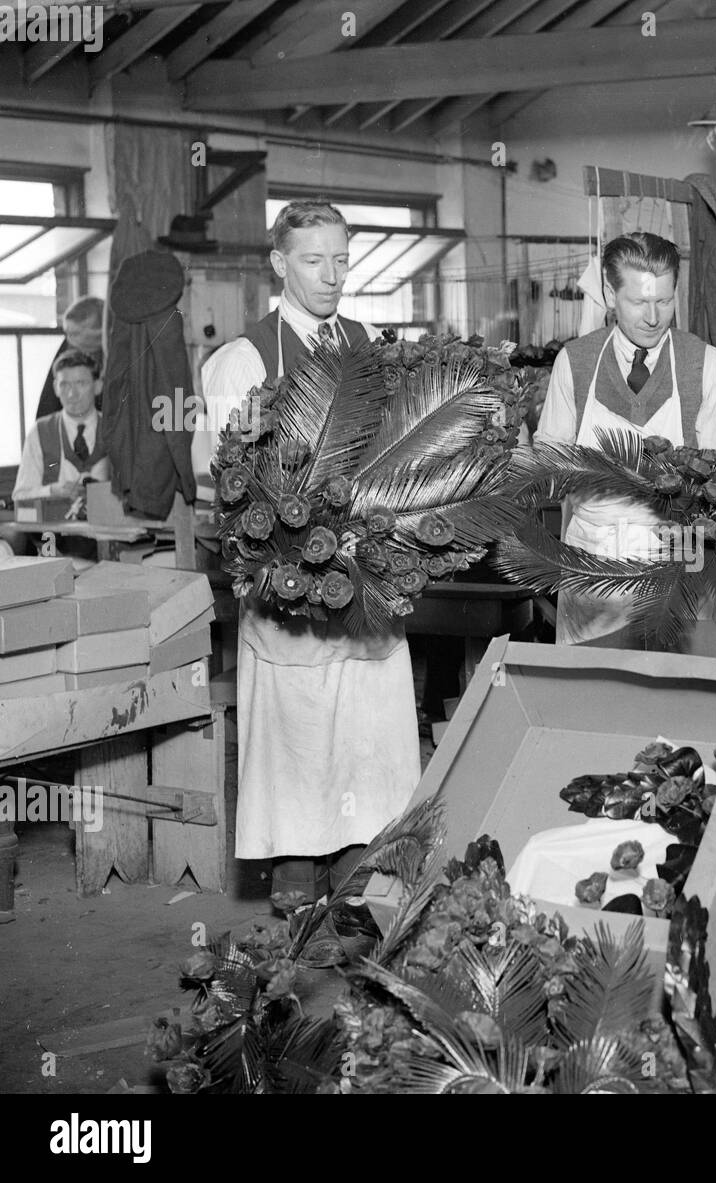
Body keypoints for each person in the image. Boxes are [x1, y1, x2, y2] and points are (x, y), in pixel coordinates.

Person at [200, 200, 420, 917]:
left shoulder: (366, 345)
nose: (331, 276)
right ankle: (296, 862)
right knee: (297, 720)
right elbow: (229, 478)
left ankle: (361, 857)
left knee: (365, 715)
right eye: (313, 260)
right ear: (279, 263)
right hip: (287, 571)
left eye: (340, 259)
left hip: (363, 568)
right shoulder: (245, 359)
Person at [535, 230, 716, 645]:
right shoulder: (575, 362)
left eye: (664, 301)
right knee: (589, 689)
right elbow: (547, 464)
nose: (653, 317)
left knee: (669, 690)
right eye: (639, 302)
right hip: (591, 559)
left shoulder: (705, 364)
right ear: (610, 294)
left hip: (675, 556)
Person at [5, 350, 111, 563]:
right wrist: (53, 490)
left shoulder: (115, 430)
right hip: (54, 541)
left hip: (106, 536)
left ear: (98, 386)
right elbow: (20, 496)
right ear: (55, 388)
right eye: (64, 385)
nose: (72, 394)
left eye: (81, 383)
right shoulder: (40, 431)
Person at [34, 296, 104, 421]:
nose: (70, 339)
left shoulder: (118, 352)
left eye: (76, 334)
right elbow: (49, 404)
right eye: (68, 333)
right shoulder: (69, 348)